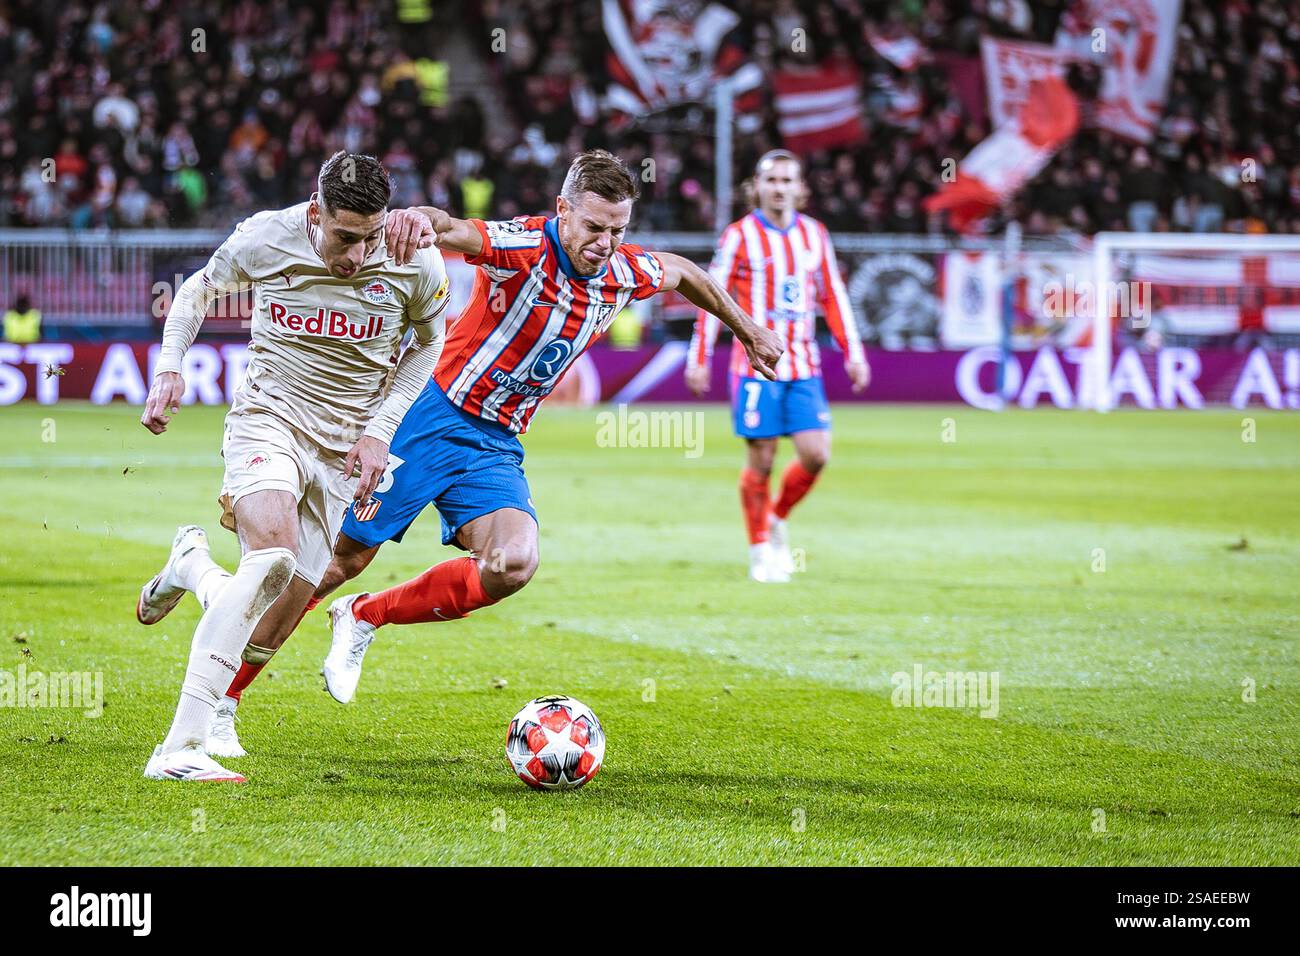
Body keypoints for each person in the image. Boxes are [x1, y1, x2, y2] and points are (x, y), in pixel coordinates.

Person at [206, 148, 783, 717]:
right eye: (592, 227)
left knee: (512, 563)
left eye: (617, 229)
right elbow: (452, 228)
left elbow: (683, 272)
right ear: (562, 209)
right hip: (429, 415)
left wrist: (748, 329)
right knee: (335, 561)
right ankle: (220, 697)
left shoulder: (624, 271)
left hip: (495, 443)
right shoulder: (526, 245)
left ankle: (365, 615)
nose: (604, 243)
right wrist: (417, 219)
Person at [135, 151, 451, 782]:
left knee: (275, 614)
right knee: (271, 560)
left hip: (342, 449)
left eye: (370, 237)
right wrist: (170, 364)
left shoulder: (414, 258)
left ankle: (191, 565)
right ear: (315, 214)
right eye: (344, 237)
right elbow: (199, 288)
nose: (358, 255)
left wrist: (380, 431)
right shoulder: (267, 236)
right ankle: (180, 747)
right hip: (268, 418)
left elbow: (430, 342)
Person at [685, 150, 870, 582]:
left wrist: (853, 353)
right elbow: (711, 296)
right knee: (762, 460)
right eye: (772, 180)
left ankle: (775, 517)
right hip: (755, 368)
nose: (779, 188)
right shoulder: (739, 236)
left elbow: (833, 296)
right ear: (758, 187)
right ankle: (759, 551)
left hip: (804, 365)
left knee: (816, 454)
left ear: (799, 188)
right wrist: (700, 357)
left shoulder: (815, 235)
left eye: (788, 180)